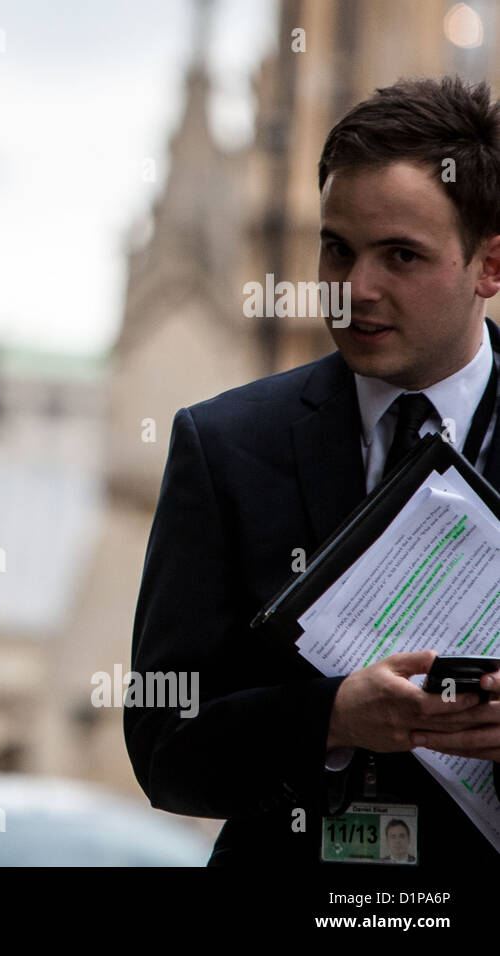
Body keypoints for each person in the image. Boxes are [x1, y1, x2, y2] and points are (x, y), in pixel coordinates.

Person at [126, 75, 500, 865]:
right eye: (338, 249)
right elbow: (164, 746)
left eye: (401, 255)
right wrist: (331, 716)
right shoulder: (223, 444)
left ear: (489, 265)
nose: (355, 291)